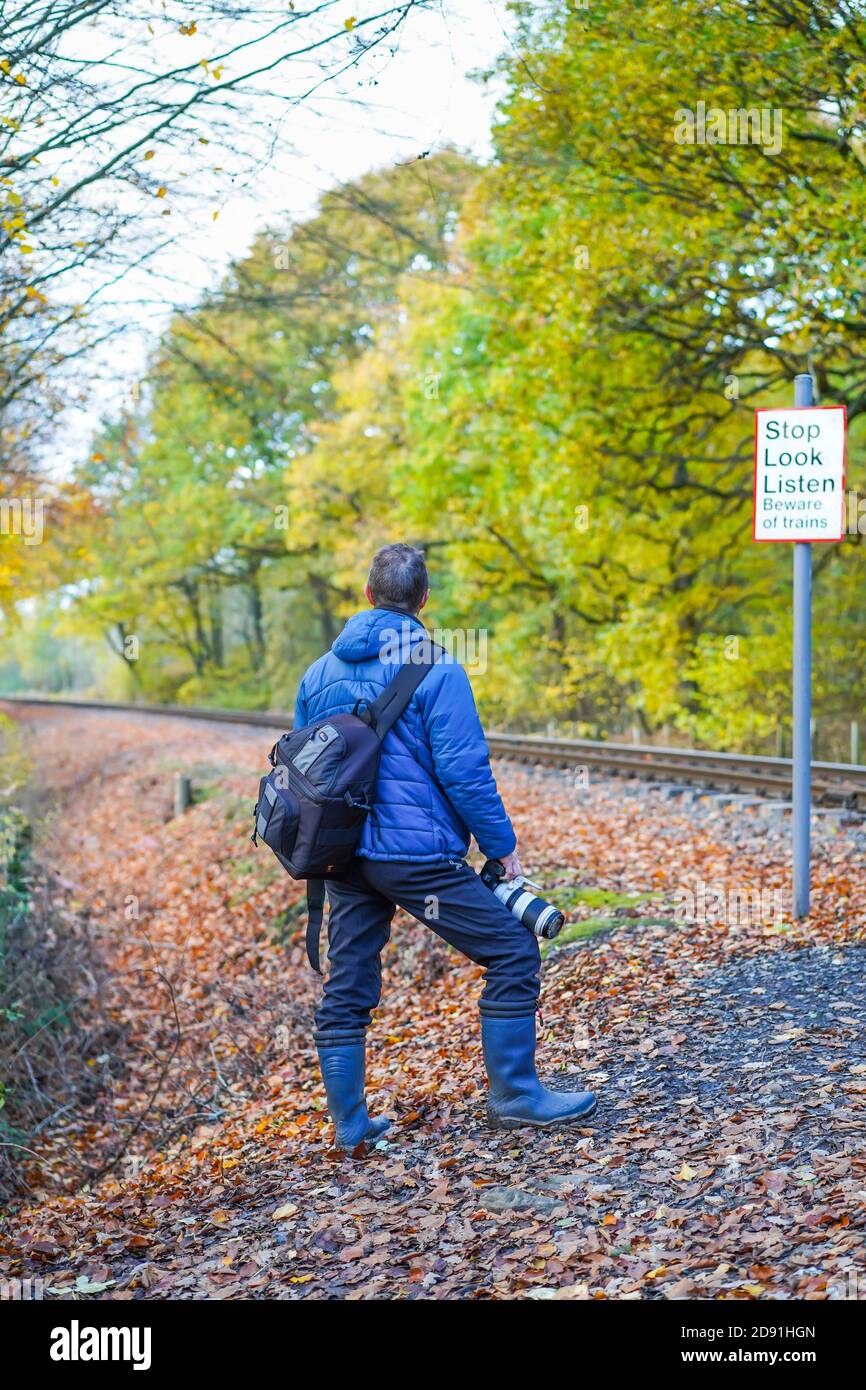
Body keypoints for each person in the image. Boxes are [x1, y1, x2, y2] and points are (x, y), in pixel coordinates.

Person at [294, 543, 597, 1148]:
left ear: (366, 594)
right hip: (415, 859)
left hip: (346, 855)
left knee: (349, 982)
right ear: (424, 599)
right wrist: (501, 847)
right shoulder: (438, 667)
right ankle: (515, 1095)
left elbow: (306, 765)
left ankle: (351, 1125)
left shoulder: (317, 673)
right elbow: (465, 772)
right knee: (513, 950)